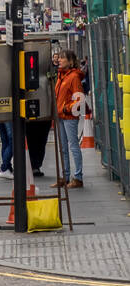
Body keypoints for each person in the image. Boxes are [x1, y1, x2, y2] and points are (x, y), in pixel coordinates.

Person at [54, 49, 84, 189]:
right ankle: (65, 177)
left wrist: (66, 108)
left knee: (73, 146)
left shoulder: (74, 77)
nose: (59, 60)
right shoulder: (62, 76)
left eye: (62, 58)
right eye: (58, 58)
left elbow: (79, 98)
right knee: (63, 148)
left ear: (70, 61)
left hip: (69, 117)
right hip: (60, 116)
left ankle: (78, 178)